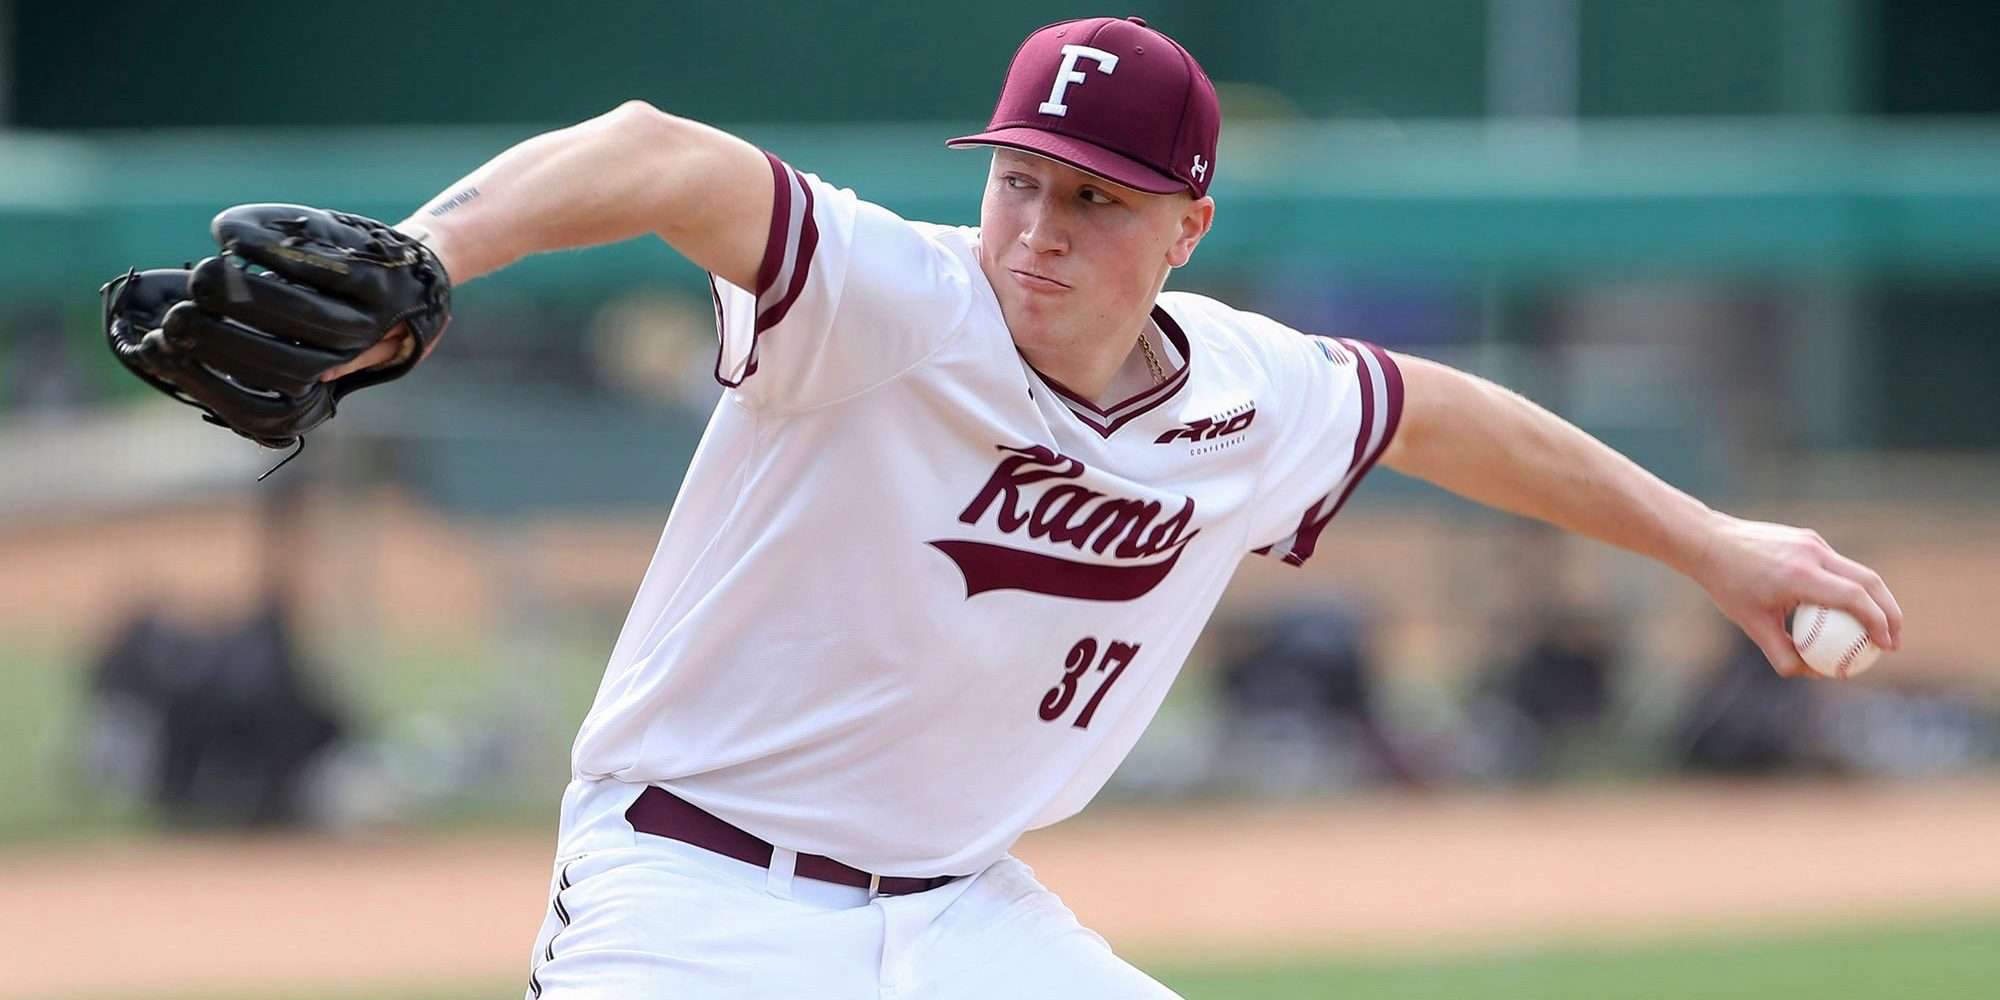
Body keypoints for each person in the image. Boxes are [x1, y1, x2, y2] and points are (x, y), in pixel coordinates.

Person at [319, 16, 1901, 999]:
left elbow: (1446, 419)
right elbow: (658, 157)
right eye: (1019, 178)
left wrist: (1714, 545)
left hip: (963, 922)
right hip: (695, 897)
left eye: (1095, 198)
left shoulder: (1243, 389)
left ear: (1187, 229)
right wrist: (428, 256)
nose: (1037, 228)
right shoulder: (887, 301)